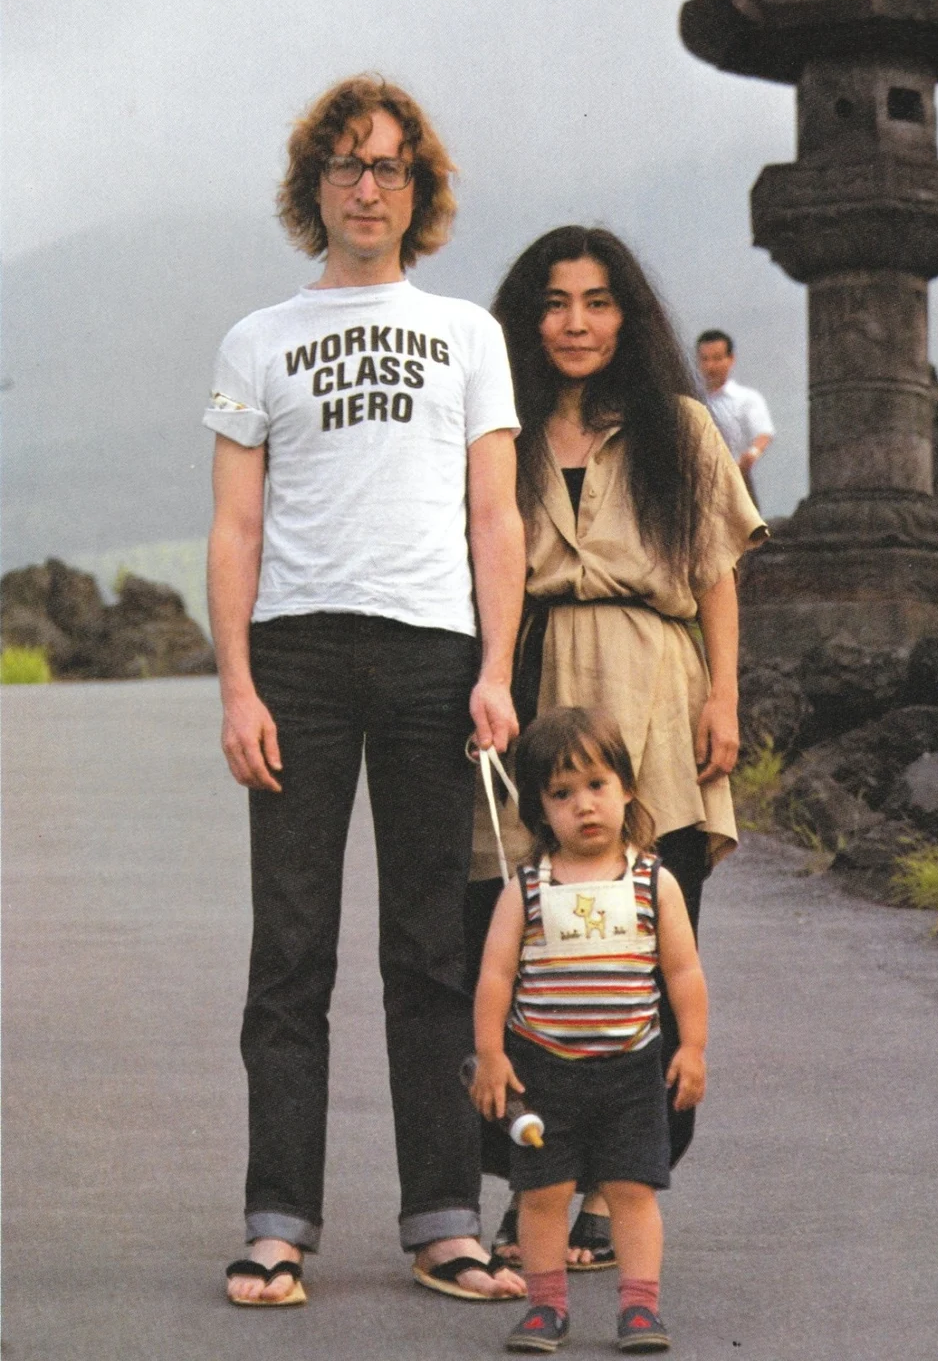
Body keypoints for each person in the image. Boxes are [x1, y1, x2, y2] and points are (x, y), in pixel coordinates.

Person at [205, 75, 527, 1305]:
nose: (368, 186)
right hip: (296, 658)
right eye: (346, 165)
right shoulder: (258, 338)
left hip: (431, 659)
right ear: (313, 188)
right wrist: (238, 686)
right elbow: (235, 530)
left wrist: (496, 669)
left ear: (419, 190)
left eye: (390, 166)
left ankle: (446, 1221)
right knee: (289, 950)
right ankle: (278, 1223)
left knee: (431, 949)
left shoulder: (468, 336)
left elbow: (494, 517)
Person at [470, 226, 765, 1269]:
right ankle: (536, 1186)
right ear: (528, 317)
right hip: (534, 683)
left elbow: (718, 572)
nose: (577, 323)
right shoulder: (497, 430)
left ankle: (617, 1188)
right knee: (523, 951)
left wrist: (725, 696)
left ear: (626, 317)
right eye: (556, 303)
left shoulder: (678, 426)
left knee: (641, 948)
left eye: (598, 302)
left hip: (653, 691)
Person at [471, 707, 708, 1354]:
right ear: (539, 810)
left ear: (627, 788)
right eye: (561, 793)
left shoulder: (653, 881)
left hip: (633, 1069)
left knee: (631, 1190)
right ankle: (546, 1307)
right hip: (543, 1068)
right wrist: (491, 1055)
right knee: (542, 1196)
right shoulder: (527, 887)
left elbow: (683, 971)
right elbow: (494, 976)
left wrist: (692, 1047)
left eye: (597, 785)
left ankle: (639, 1308)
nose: (584, 806)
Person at [696, 330, 774, 505]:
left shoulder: (746, 398)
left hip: (737, 480)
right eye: (705, 359)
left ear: (731, 359)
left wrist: (751, 455)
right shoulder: (692, 401)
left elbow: (763, 433)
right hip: (699, 486)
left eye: (717, 359)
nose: (710, 366)